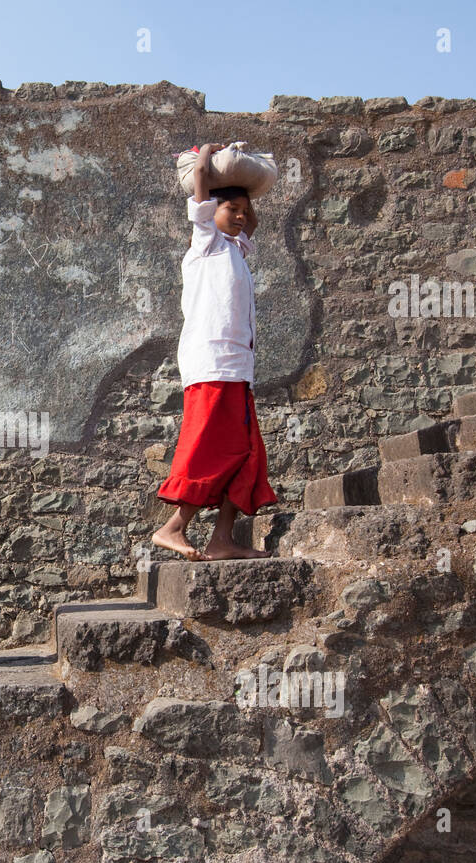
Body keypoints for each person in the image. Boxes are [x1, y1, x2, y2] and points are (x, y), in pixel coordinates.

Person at [153, 142, 277, 561]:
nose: (241, 217)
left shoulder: (238, 251)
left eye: (245, 211)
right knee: (210, 446)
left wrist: (244, 185)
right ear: (212, 214)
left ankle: (221, 539)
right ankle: (173, 527)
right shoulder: (204, 243)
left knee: (246, 454)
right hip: (211, 365)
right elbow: (202, 192)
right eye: (232, 210)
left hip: (238, 369)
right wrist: (207, 155)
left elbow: (251, 221)